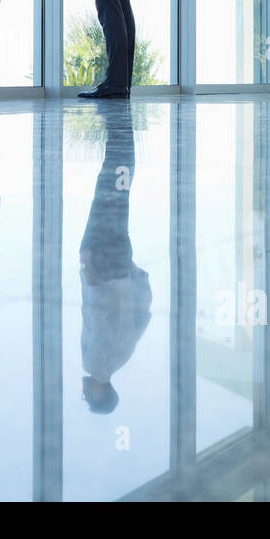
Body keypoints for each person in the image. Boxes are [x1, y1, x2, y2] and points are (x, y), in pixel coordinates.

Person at [78, 103, 151, 414]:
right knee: (107, 193)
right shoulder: (96, 362)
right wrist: (88, 272)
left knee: (118, 198)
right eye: (87, 397)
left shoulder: (123, 357)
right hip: (104, 268)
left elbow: (144, 314)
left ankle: (122, 137)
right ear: (99, 394)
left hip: (120, 267)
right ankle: (119, 134)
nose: (83, 393)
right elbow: (97, 318)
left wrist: (136, 273)